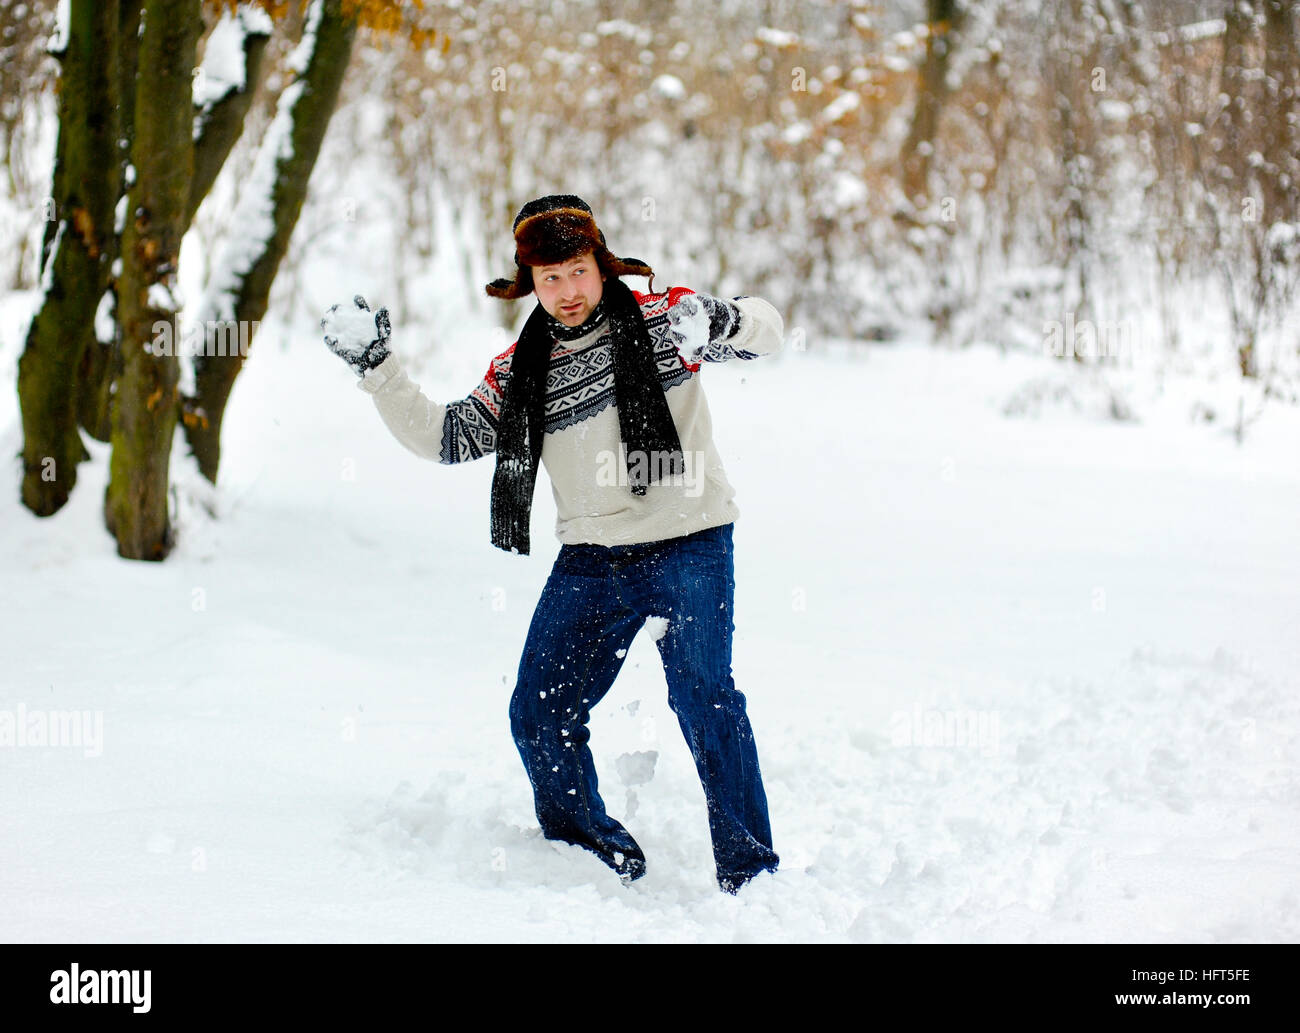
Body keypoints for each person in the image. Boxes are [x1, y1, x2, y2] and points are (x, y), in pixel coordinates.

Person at [322, 194, 783, 893]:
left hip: (691, 542)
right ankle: (585, 846)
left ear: (601, 263)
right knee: (539, 710)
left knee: (703, 695)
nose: (566, 292)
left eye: (576, 270)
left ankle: (750, 869)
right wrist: (378, 368)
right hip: (594, 559)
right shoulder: (521, 371)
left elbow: (768, 334)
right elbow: (446, 437)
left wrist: (724, 317)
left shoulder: (667, 320)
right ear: (530, 285)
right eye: (549, 279)